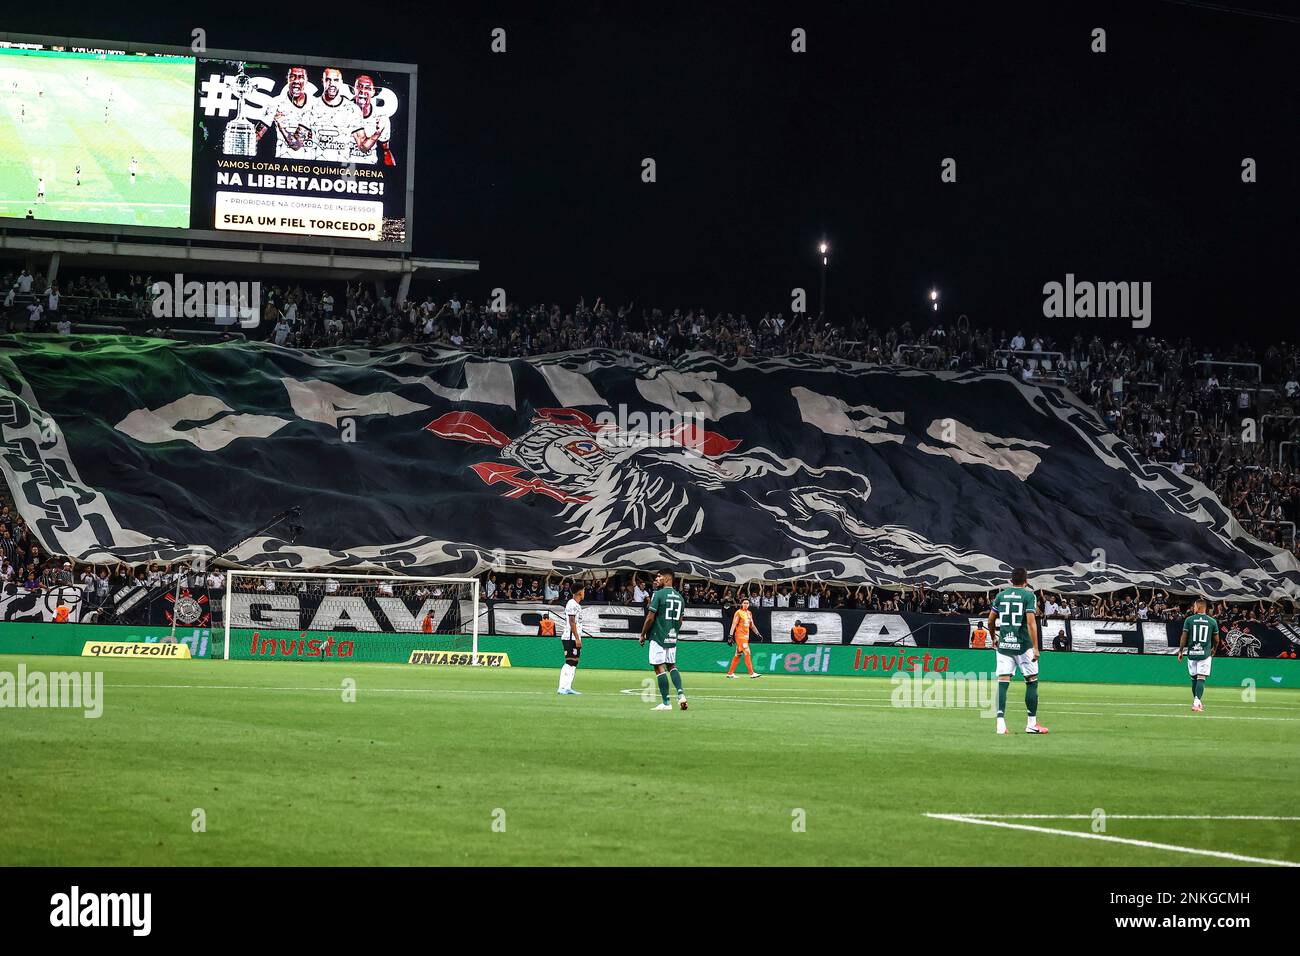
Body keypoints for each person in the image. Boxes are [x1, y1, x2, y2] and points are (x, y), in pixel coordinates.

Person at [988, 567, 1048, 735]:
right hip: (1023, 645)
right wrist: (1036, 647)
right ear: (1026, 581)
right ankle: (1031, 724)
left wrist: (993, 637)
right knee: (1031, 681)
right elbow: (1030, 623)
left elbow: (991, 620)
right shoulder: (1029, 596)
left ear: (1011, 580)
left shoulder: (1000, 596)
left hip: (1004, 645)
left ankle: (1000, 724)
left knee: (1003, 682)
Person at [639, 570, 687, 710]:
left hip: (658, 635)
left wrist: (643, 634)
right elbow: (680, 620)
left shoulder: (658, 595)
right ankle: (681, 694)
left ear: (667, 579)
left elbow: (650, 617)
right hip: (672, 636)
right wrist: (673, 632)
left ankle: (666, 703)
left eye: (659, 576)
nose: (656, 579)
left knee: (658, 666)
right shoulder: (680, 597)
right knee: (671, 665)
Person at [1177, 598, 1220, 713]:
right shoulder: (1212, 621)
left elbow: (1184, 636)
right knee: (1201, 678)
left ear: (1200, 607)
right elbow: (1216, 639)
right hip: (1205, 654)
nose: (1193, 608)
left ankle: (1197, 701)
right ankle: (1196, 703)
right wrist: (1214, 649)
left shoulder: (1189, 620)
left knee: (1194, 679)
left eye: (1195, 606)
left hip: (1192, 653)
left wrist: (1181, 651)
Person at [557, 584, 584, 695]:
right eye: (583, 590)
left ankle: (568, 687)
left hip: (575, 637)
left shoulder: (577, 605)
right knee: (569, 661)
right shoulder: (571, 604)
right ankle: (561, 687)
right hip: (570, 637)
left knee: (574, 662)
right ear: (580, 592)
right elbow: (572, 622)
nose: (584, 593)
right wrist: (577, 638)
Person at [726, 597, 761, 678]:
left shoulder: (749, 613)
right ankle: (752, 673)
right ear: (741, 604)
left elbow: (752, 626)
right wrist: (730, 636)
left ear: (749, 604)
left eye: (747, 603)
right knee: (747, 652)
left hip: (746, 637)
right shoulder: (738, 612)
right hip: (740, 636)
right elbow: (734, 624)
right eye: (744, 603)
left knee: (738, 654)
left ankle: (730, 673)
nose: (746, 604)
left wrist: (757, 633)